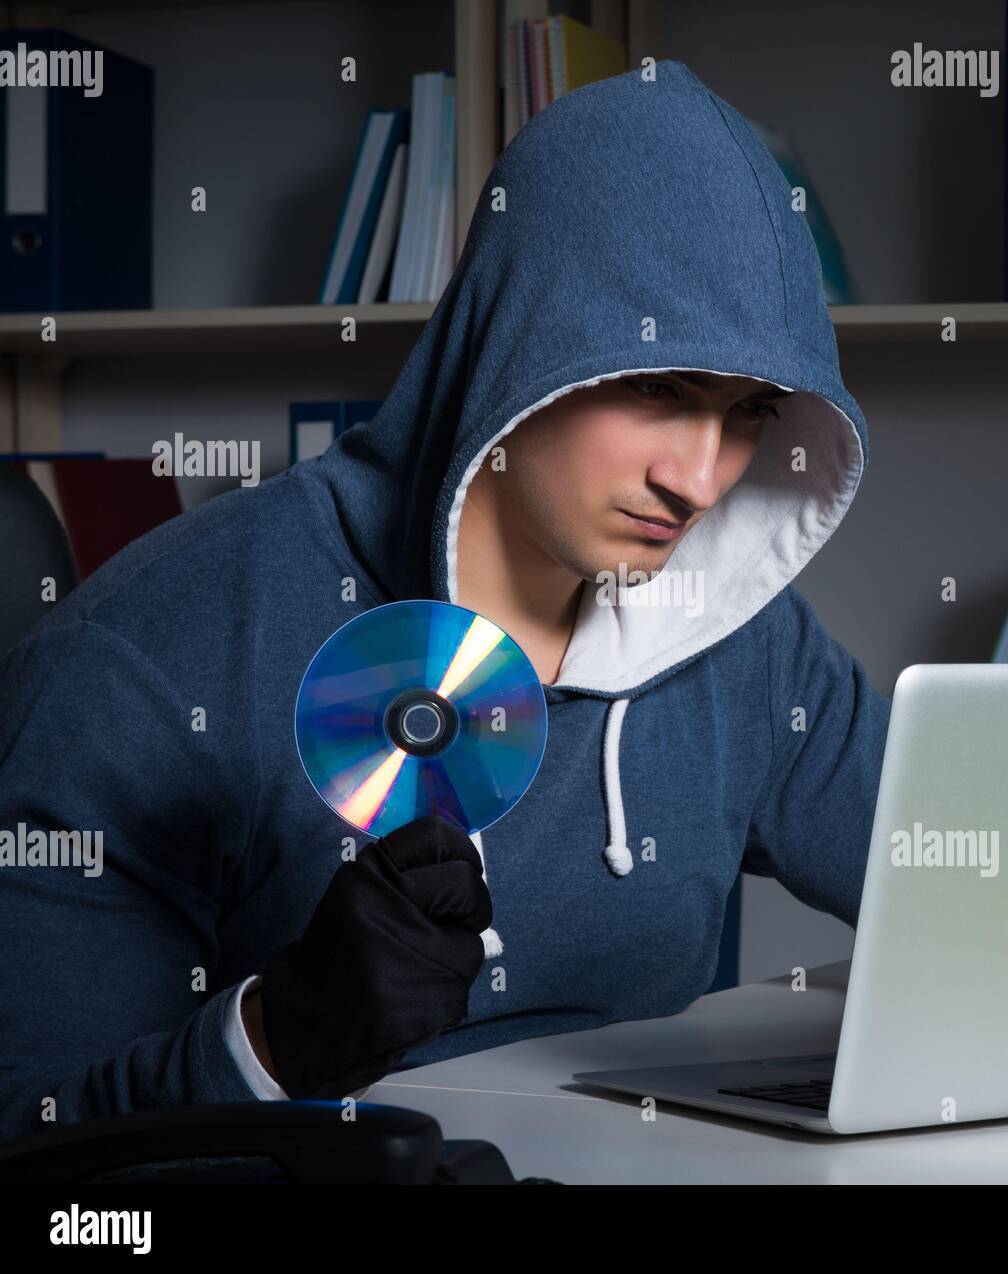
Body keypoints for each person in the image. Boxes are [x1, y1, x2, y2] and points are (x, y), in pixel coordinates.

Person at [0, 60, 889, 1140]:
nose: (700, 480)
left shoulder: (745, 640)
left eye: (749, 411)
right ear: (527, 338)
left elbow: (970, 868)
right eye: (658, 388)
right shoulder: (152, 655)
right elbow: (33, 1144)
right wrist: (277, 1042)